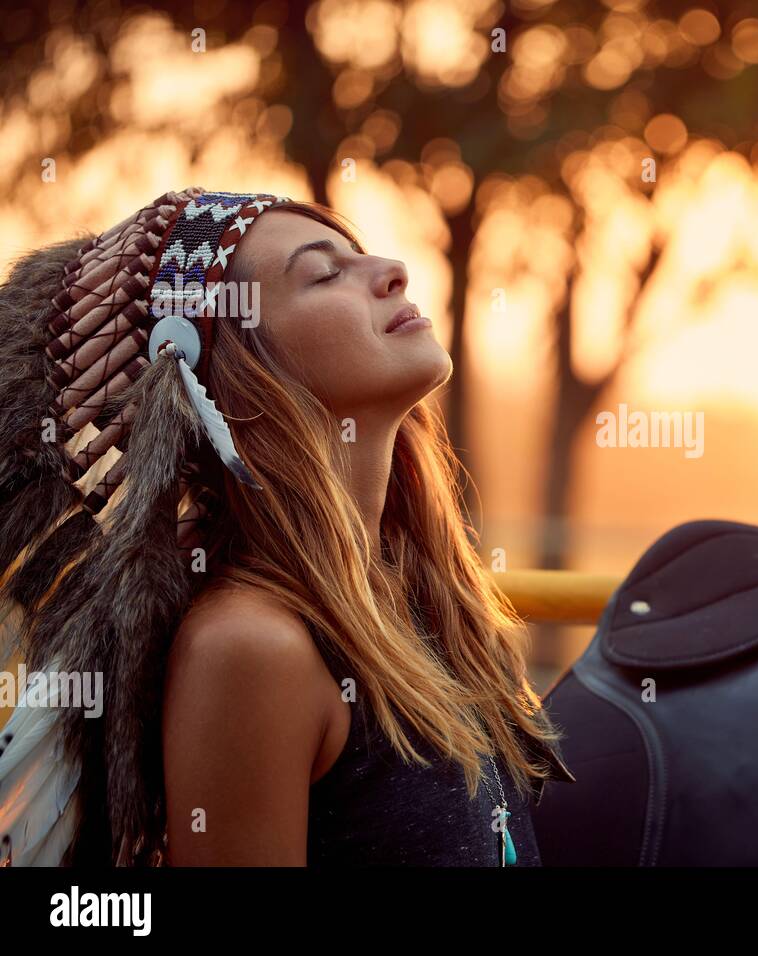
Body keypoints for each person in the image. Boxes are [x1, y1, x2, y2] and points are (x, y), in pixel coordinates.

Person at [0, 188, 574, 867]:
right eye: (324, 274)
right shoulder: (251, 649)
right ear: (237, 374)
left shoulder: (424, 612)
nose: (392, 270)